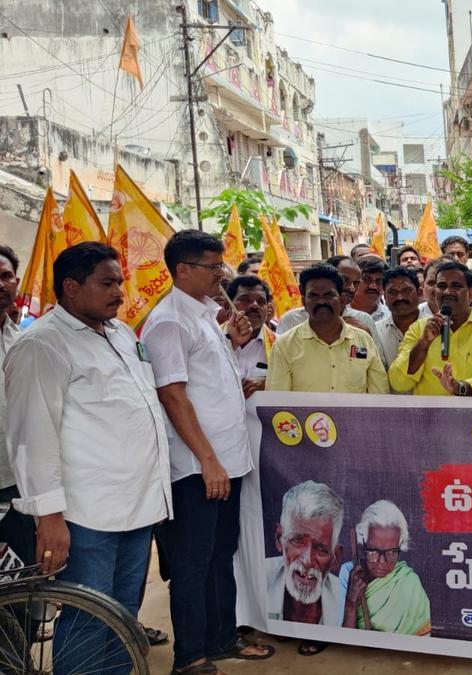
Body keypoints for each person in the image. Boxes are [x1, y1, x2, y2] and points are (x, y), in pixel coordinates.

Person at [6, 243, 172, 674]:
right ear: (71, 287)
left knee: (121, 620)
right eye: (107, 282)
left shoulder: (119, 333)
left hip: (136, 508)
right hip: (85, 516)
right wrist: (50, 518)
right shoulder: (42, 345)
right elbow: (32, 439)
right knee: (87, 621)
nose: (119, 291)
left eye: (119, 281)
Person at [140, 231, 272, 673]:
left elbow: (212, 384)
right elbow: (174, 396)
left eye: (221, 266)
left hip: (227, 461)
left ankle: (220, 638)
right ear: (183, 270)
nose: (221, 275)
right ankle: (190, 655)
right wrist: (208, 460)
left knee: (220, 553)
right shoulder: (168, 322)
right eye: (212, 267)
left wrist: (231, 343)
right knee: (193, 562)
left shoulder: (203, 318)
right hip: (199, 467)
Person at [390, 261, 472, 396]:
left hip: (471, 416)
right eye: (441, 286)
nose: (447, 292)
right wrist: (423, 344)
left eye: (456, 286)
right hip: (429, 416)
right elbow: (398, 382)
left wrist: (459, 388)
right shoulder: (418, 330)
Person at [267, 265, 388, 394]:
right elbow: (278, 402)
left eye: (329, 295)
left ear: (342, 300)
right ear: (304, 302)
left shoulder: (363, 341)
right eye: (313, 296)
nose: (321, 301)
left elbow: (379, 394)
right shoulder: (285, 346)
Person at [339, 500, 430, 635]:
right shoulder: (348, 573)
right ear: (363, 543)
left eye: (391, 552)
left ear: (400, 546)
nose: (382, 562)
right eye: (373, 551)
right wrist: (351, 602)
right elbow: (342, 641)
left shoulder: (410, 583)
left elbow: (420, 643)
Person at [266, 481, 344, 628]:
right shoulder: (256, 580)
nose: (308, 560)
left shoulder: (345, 600)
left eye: (321, 548)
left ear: (336, 557)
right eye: (297, 541)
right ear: (279, 539)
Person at [0, 245, 33, 580]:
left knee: (22, 586)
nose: (1, 284)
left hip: (18, 485)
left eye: (5, 276)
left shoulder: (20, 340)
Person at [277, 256, 382, 348]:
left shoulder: (364, 320)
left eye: (356, 283)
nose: (351, 288)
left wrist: (364, 339)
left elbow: (371, 363)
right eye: (345, 280)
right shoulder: (291, 320)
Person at [227, 275, 275, 398]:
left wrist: (269, 383)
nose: (254, 306)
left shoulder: (281, 345)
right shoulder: (210, 340)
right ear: (228, 306)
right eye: (245, 300)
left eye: (261, 302)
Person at [376, 267, 422, 369]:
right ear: (385, 297)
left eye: (407, 290)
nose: (400, 297)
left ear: (419, 293)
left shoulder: (435, 328)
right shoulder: (376, 332)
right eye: (392, 292)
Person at [351, 255, 388, 322]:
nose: (373, 286)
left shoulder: (390, 316)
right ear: (355, 281)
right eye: (367, 279)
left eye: (379, 281)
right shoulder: (340, 314)